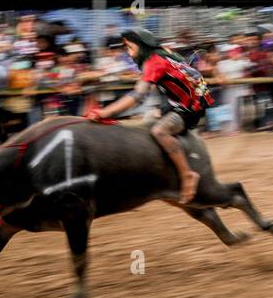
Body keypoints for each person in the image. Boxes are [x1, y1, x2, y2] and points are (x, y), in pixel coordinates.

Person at [87, 27, 214, 203]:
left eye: (130, 48)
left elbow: (138, 96)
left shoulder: (153, 62)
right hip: (183, 100)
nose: (128, 53)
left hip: (190, 107)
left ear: (142, 46)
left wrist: (105, 112)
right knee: (148, 119)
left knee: (159, 131)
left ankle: (187, 174)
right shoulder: (162, 53)